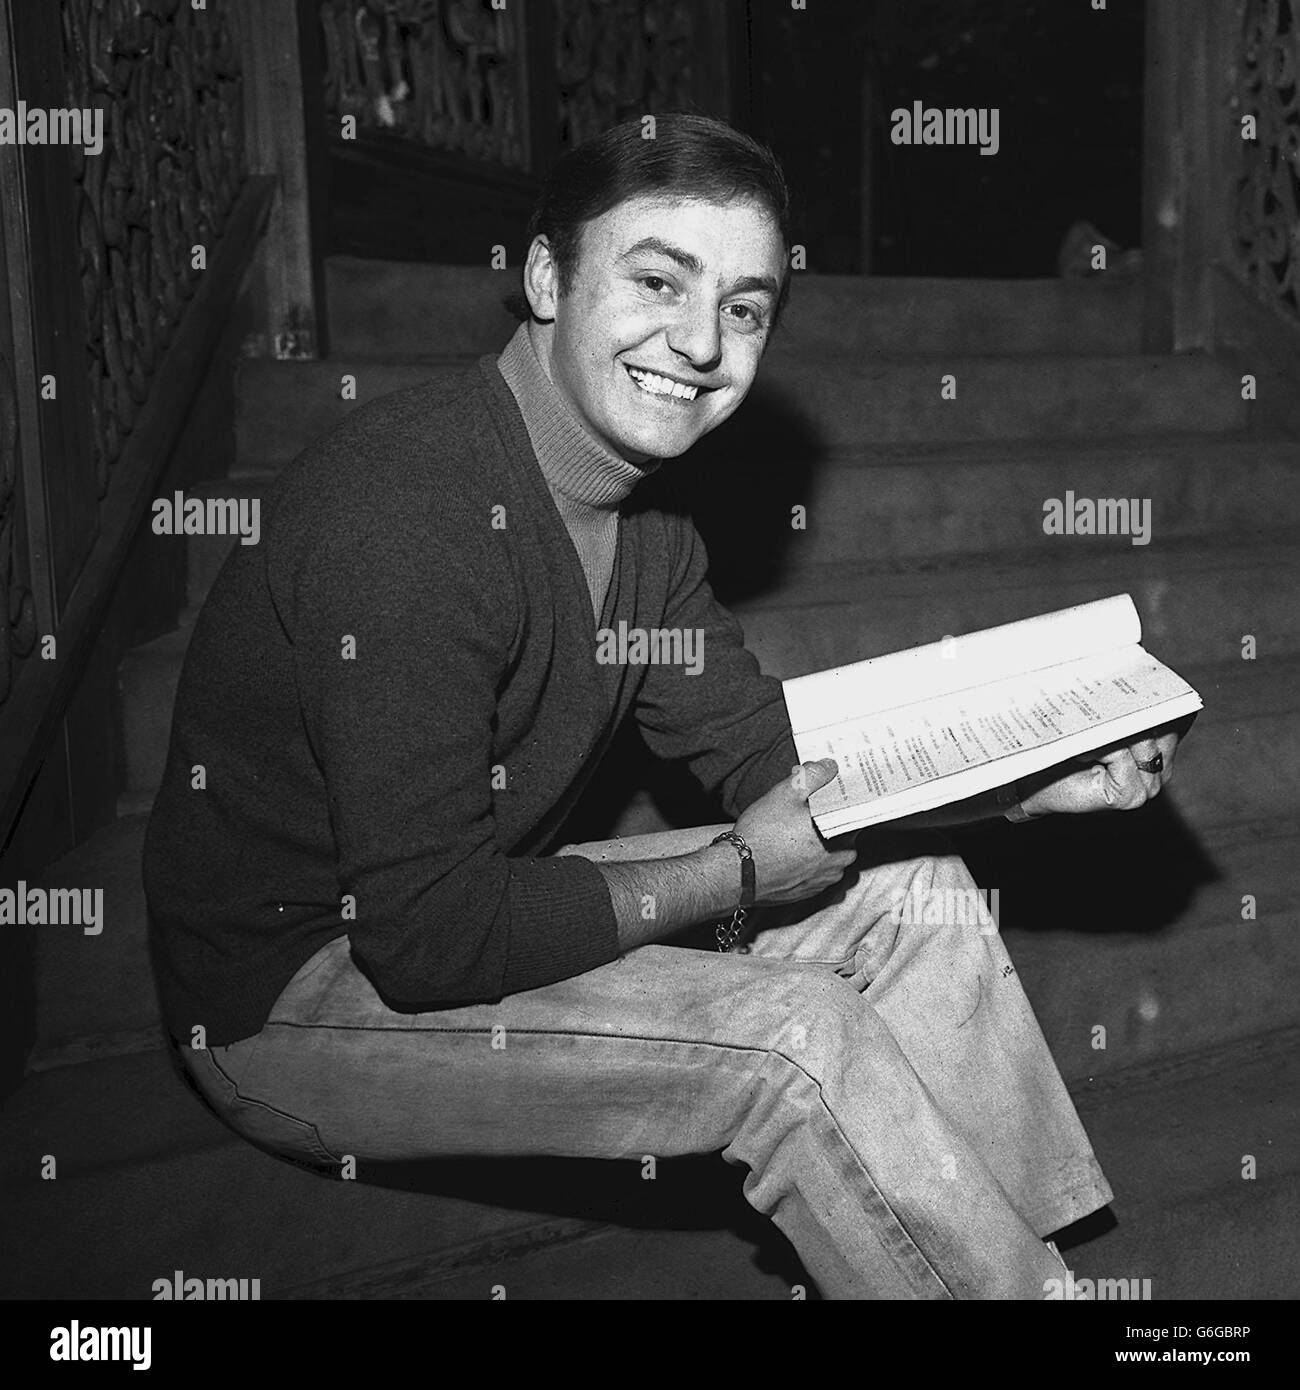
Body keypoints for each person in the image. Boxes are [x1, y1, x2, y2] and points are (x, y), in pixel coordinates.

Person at [142, 112, 1181, 1299]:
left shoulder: (650, 526)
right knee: (799, 1037)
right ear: (544, 276)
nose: (698, 343)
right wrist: (739, 871)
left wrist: (1022, 784)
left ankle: (987, 1259)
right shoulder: (412, 517)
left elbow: (765, 756)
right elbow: (427, 940)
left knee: (918, 894)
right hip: (290, 1000)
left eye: (743, 308)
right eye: (655, 280)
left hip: (459, 901)